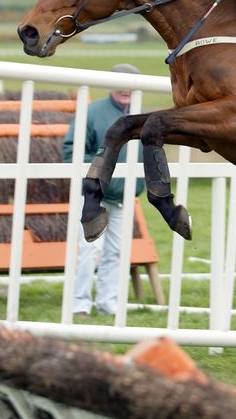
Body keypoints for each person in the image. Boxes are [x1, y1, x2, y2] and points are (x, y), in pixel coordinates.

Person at [62, 63, 145, 317]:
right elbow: (71, 151)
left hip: (123, 197)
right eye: (120, 84)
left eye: (130, 85)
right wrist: (96, 180)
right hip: (94, 196)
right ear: (109, 85)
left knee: (117, 252)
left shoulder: (142, 116)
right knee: (89, 250)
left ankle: (108, 302)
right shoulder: (91, 113)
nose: (125, 90)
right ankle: (79, 303)